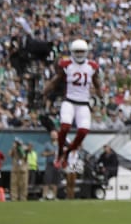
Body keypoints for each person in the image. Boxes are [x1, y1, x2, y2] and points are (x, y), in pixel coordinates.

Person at [43, 39, 102, 169]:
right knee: (64, 127)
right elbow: (56, 80)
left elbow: (97, 82)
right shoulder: (66, 65)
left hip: (84, 103)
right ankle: (59, 152)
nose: (80, 54)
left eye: (82, 51)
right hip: (69, 101)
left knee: (83, 131)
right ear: (72, 52)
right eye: (77, 52)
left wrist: (100, 95)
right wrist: (46, 90)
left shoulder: (92, 66)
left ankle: (67, 152)